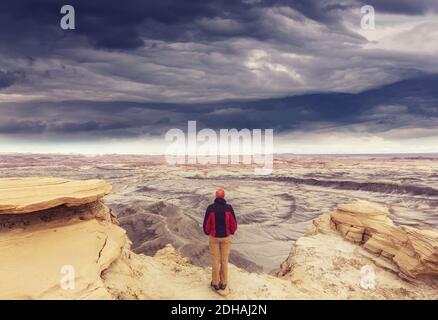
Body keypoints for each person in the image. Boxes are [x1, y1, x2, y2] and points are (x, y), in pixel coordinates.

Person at [203, 189, 237, 291]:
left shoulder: (210, 208)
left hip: (214, 238)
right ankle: (223, 283)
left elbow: (206, 224)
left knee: (215, 260)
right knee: (224, 260)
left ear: (216, 196)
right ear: (224, 196)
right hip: (226, 238)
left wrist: (208, 232)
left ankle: (215, 283)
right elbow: (234, 223)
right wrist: (230, 232)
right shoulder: (228, 208)